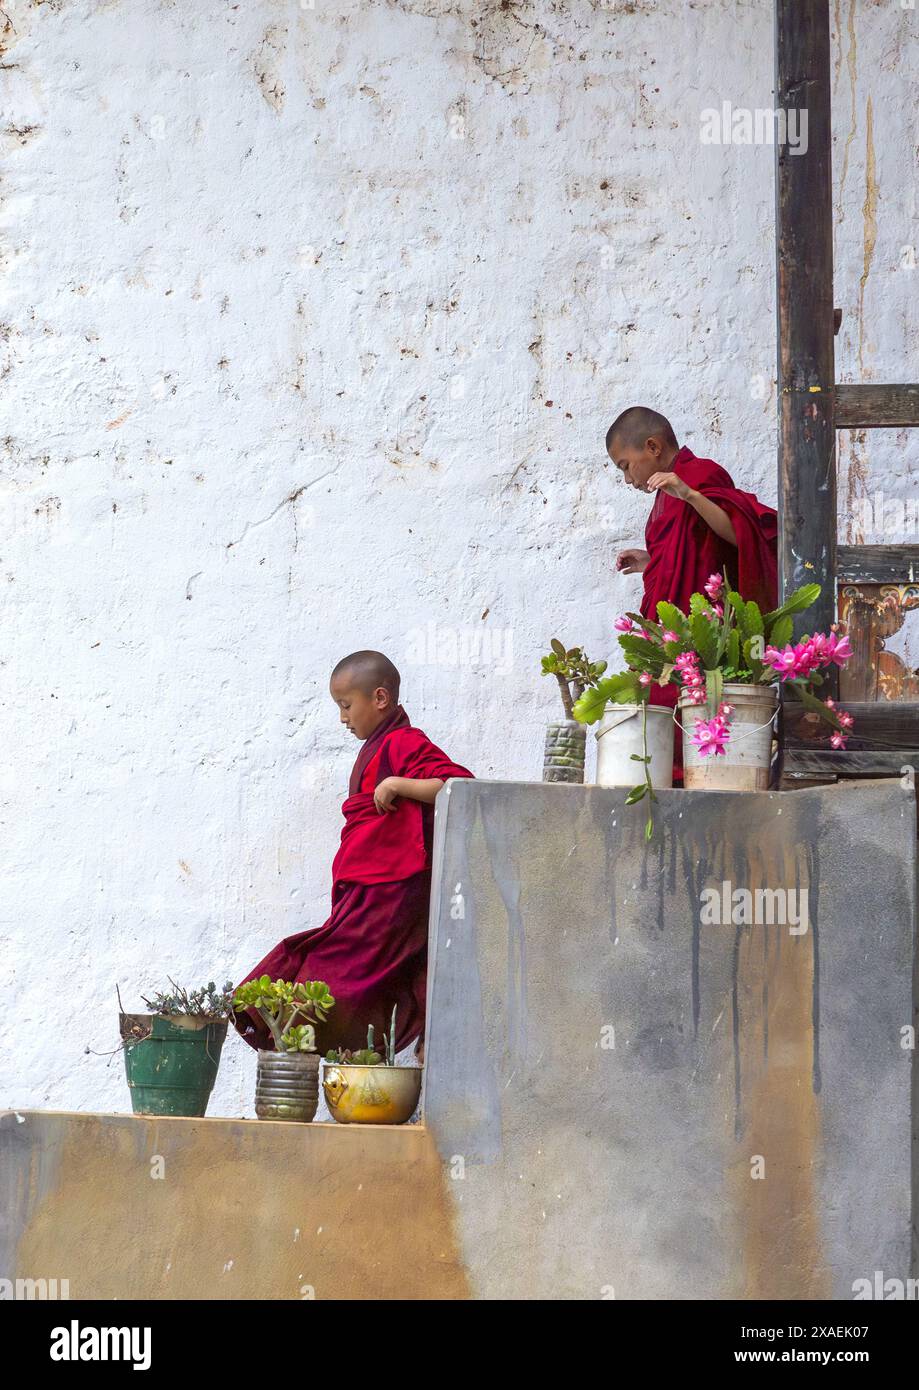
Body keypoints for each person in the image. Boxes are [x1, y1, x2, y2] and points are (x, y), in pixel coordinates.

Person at [233, 650, 473, 1059]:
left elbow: (459, 786)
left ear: (380, 699)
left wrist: (400, 784)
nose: (343, 718)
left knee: (334, 965)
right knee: (341, 962)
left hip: (393, 887)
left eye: (346, 706)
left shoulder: (403, 742)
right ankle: (327, 1051)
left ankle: (297, 1043)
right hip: (369, 883)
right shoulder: (378, 746)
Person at [607, 406, 778, 780]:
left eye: (624, 465)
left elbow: (738, 536)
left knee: (679, 716)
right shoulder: (664, 494)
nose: (627, 478)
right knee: (646, 709)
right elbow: (689, 556)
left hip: (705, 639)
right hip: (671, 640)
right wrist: (650, 561)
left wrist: (689, 493)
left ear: (652, 447)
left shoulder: (700, 474)